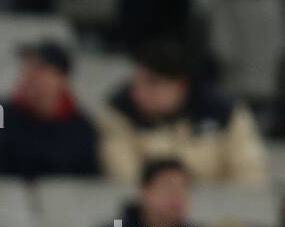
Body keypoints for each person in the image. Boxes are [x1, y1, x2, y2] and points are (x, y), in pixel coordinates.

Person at [96, 38, 267, 185]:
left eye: (153, 83)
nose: (138, 91)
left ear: (180, 86)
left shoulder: (225, 113)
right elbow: (125, 180)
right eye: (136, 81)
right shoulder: (119, 113)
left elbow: (250, 175)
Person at [3, 41, 98, 179]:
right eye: (28, 67)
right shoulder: (0, 114)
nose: (30, 75)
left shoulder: (82, 128)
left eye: (40, 69)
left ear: (61, 78)